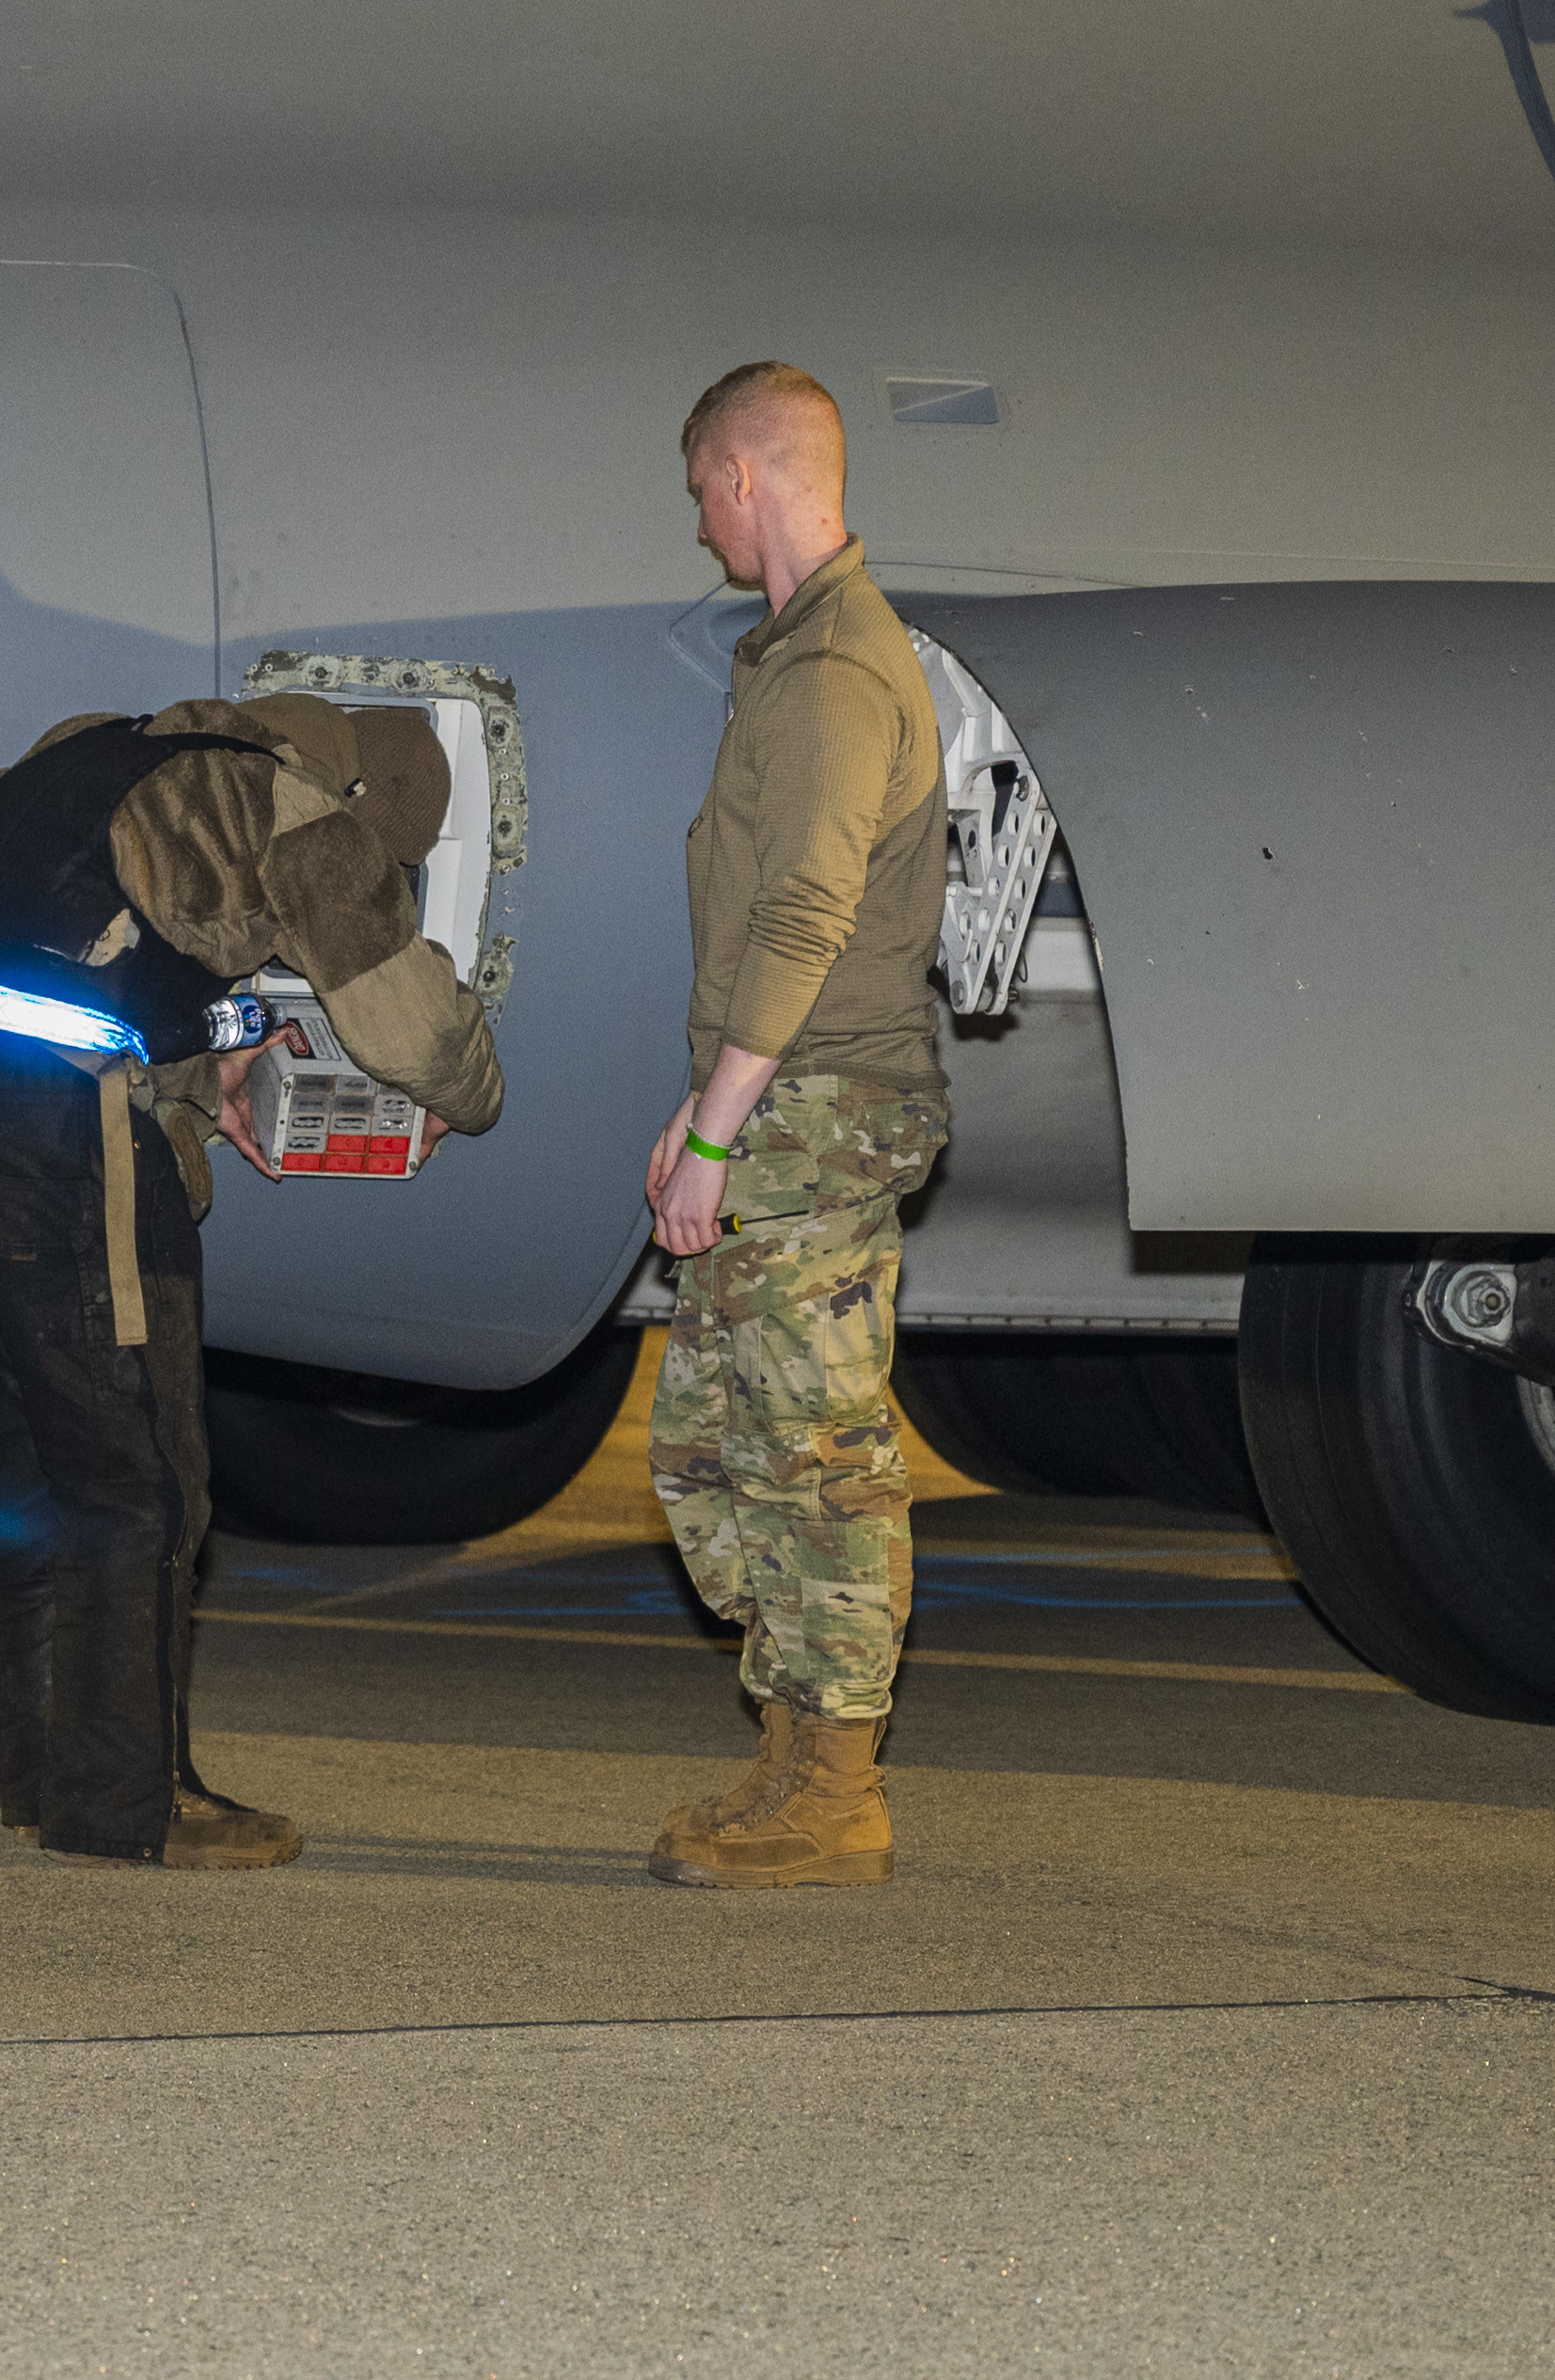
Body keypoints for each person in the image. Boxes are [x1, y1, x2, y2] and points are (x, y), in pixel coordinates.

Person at [0, 691, 505, 1869]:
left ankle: (52, 1784)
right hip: (51, 1132)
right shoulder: (300, 809)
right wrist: (478, 1095)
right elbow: (410, 1029)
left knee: (14, 1462)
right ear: (366, 803)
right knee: (141, 1476)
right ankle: (136, 1802)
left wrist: (197, 1066)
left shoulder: (79, 752)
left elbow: (69, 951)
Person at [643, 361, 952, 1889]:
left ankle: (835, 1794)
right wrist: (693, 1112)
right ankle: (786, 1764)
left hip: (817, 1111)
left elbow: (810, 911)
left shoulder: (834, 669)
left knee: (817, 1450)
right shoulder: (787, 658)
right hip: (776, 1102)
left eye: (701, 485)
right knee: (720, 1444)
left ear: (744, 474)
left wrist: (718, 1131)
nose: (696, 517)